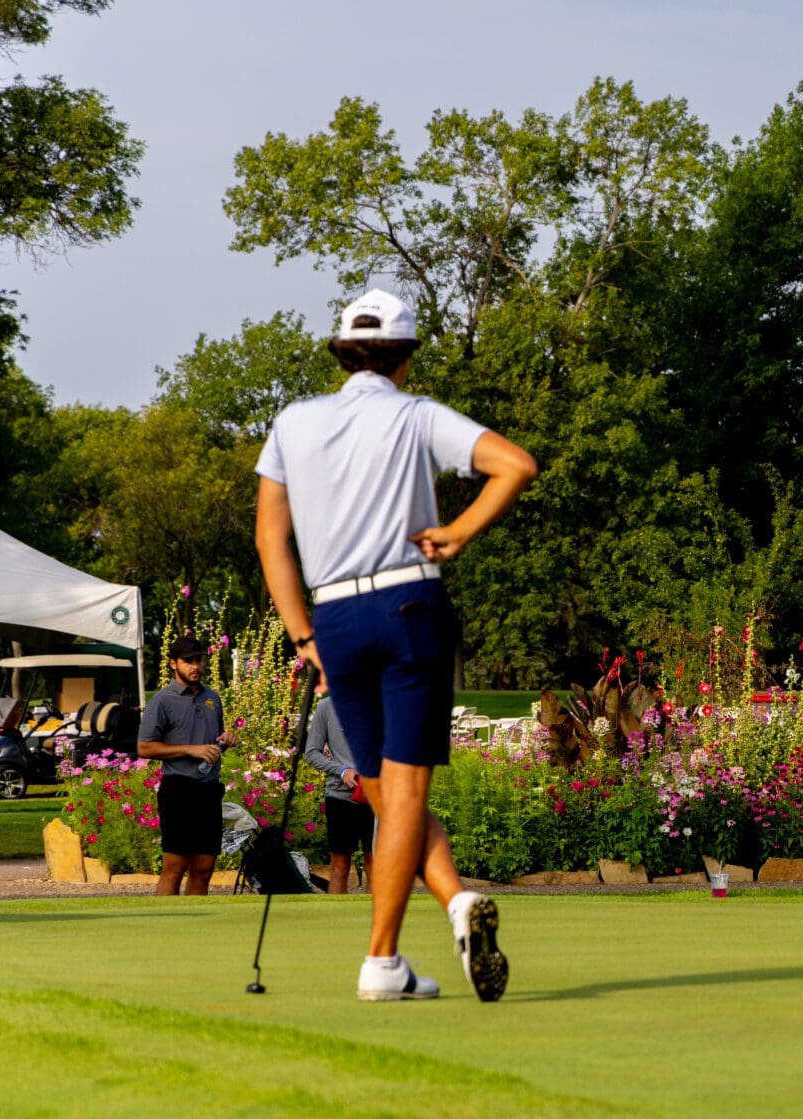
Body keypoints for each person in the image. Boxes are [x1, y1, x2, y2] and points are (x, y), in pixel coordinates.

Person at [254, 288, 536, 1003]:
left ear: (343, 350)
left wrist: (301, 634)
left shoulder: (293, 421)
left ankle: (455, 904)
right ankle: (381, 961)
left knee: (385, 795)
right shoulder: (416, 415)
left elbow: (270, 537)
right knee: (404, 791)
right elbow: (516, 465)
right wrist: (459, 532)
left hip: (334, 619)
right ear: (405, 356)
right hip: (408, 601)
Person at [137, 635, 235, 896]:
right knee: (175, 865)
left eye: (198, 660)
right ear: (173, 664)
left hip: (209, 789)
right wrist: (190, 750)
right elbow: (144, 747)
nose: (195, 666)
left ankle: (197, 930)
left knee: (204, 866)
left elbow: (209, 739)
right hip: (178, 789)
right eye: (188, 661)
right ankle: (164, 926)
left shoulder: (212, 698)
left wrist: (225, 740)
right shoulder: (162, 701)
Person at [304, 683, 373, 895]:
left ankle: (375, 925)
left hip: (377, 796)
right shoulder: (327, 707)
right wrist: (342, 771)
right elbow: (311, 752)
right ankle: (334, 924)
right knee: (340, 867)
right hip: (341, 797)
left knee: (377, 865)